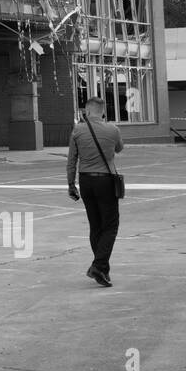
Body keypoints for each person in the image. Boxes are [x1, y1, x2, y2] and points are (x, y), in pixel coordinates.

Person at [67, 96, 124, 288]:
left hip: (85, 180)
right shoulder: (113, 129)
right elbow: (119, 148)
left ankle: (102, 269)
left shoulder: (78, 130)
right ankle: (99, 266)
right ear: (103, 112)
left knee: (95, 226)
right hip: (105, 180)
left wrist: (71, 184)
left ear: (87, 111)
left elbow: (71, 160)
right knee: (111, 225)